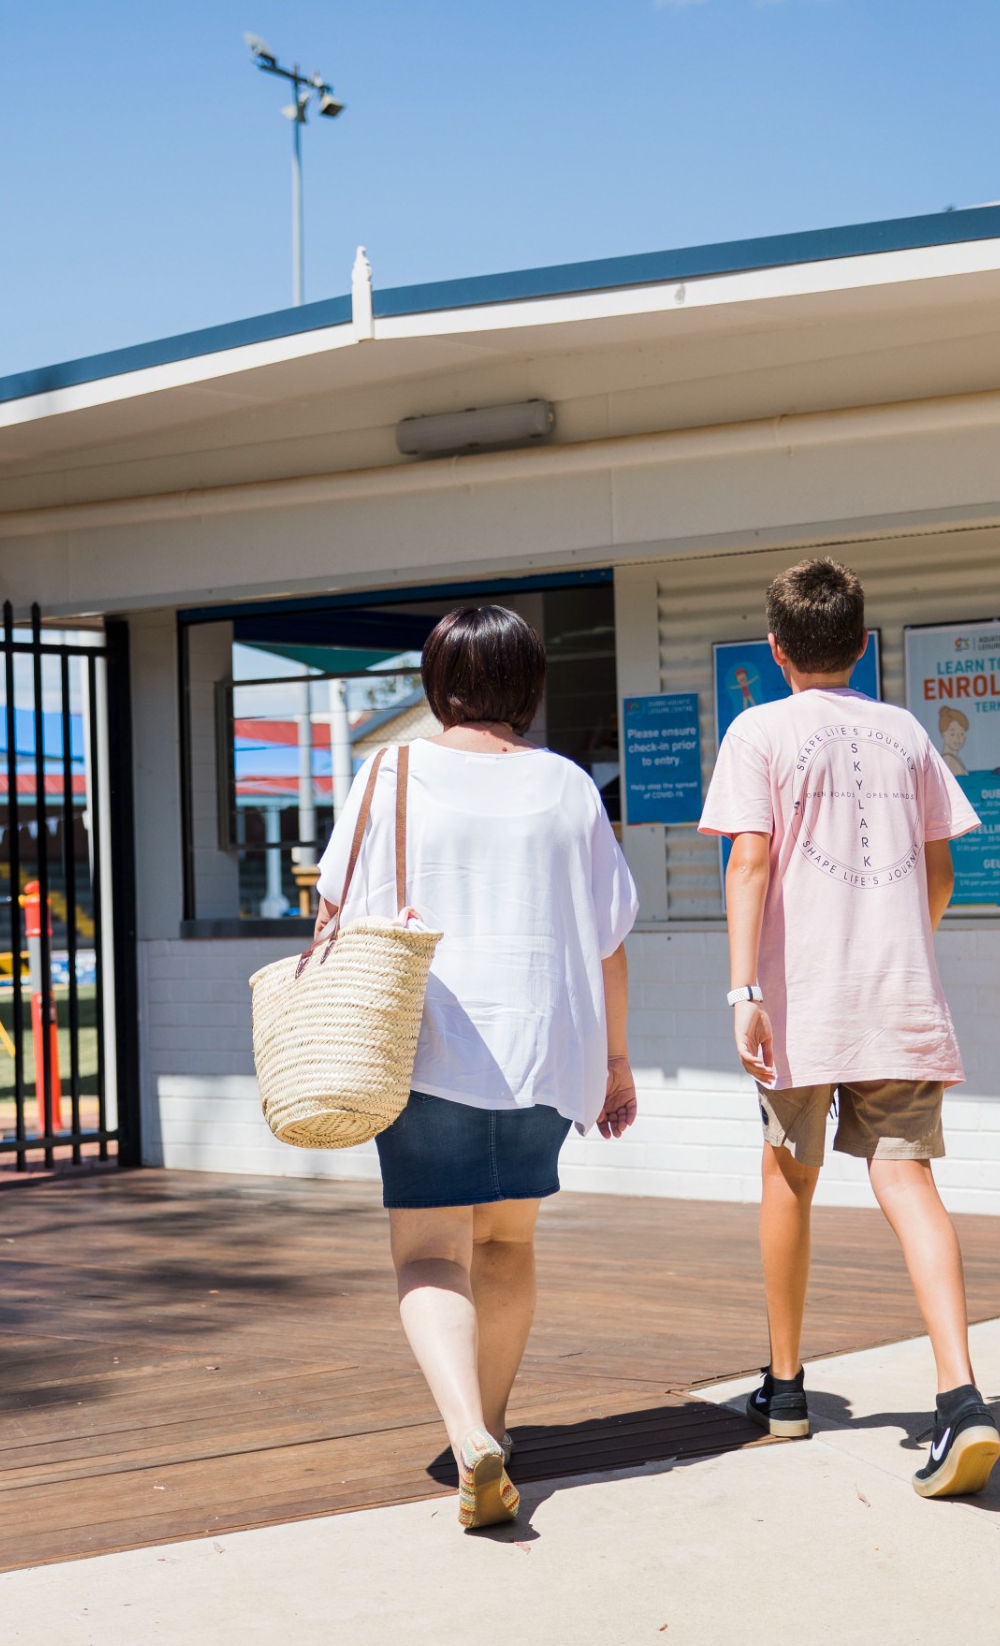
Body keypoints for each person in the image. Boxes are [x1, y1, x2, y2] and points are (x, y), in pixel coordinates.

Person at [313, 603, 639, 1532]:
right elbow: (611, 941)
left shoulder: (389, 769)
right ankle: (493, 1423)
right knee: (506, 1244)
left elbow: (331, 914)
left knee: (427, 1252)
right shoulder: (568, 786)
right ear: (528, 685)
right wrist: (616, 1061)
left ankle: (470, 1439)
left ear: (437, 682)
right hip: (544, 1050)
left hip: (426, 1049)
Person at [697, 558, 1000, 1500]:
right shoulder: (907, 731)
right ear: (865, 645)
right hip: (897, 993)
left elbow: (748, 865)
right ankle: (960, 1397)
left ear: (778, 648)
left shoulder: (758, 729)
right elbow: (940, 872)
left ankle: (785, 1390)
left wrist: (743, 987)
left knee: (789, 1175)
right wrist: (900, 942)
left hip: (801, 1000)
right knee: (906, 1178)